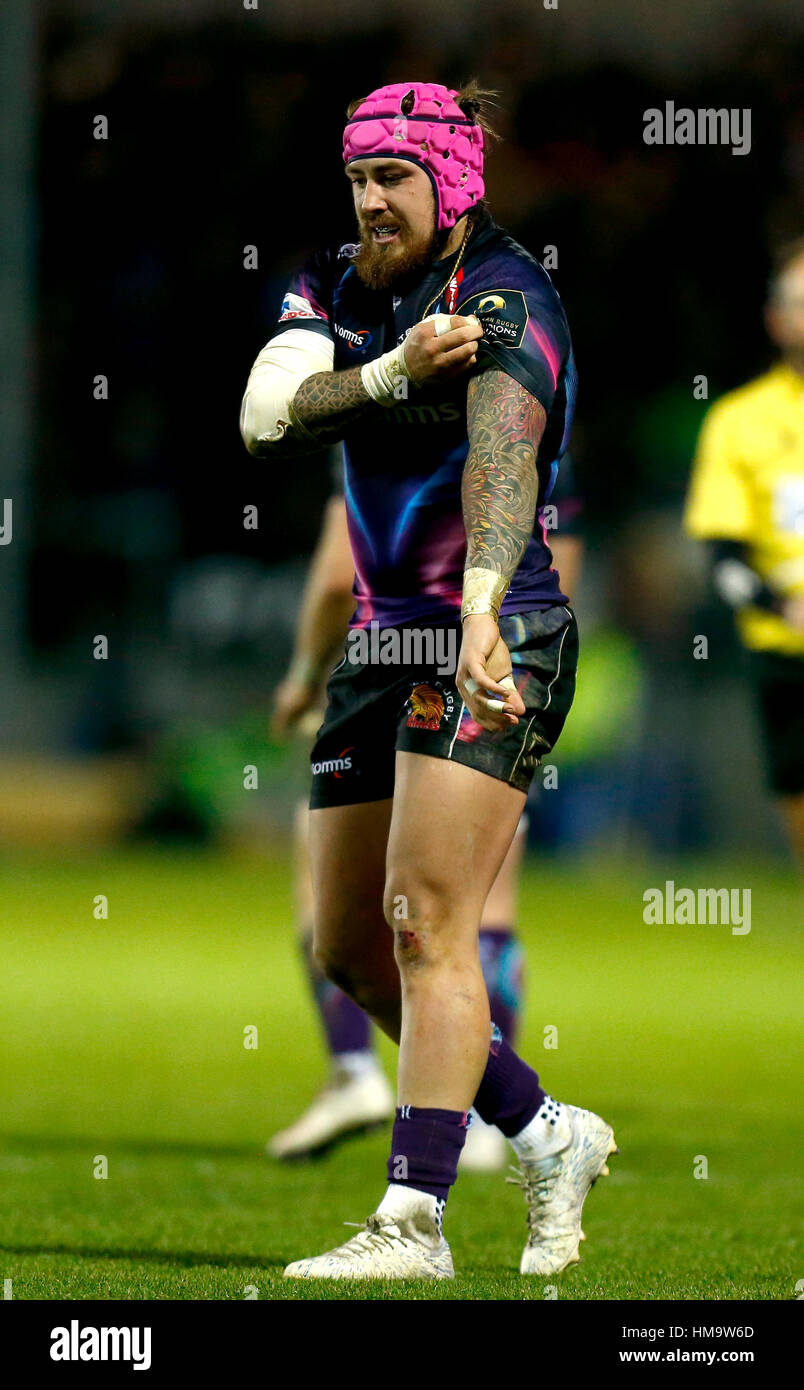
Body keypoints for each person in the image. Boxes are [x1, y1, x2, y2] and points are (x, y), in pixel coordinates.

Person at [241, 80, 615, 1280]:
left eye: (395, 177)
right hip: (378, 642)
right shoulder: (339, 284)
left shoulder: (508, 292)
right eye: (358, 177)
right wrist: (396, 371)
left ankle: (413, 1223)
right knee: (346, 944)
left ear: (454, 181)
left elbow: (504, 449)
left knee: (425, 923)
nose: (371, 199)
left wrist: (483, 603)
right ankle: (550, 1130)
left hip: (495, 634)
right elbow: (267, 416)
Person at [269, 456, 584, 1172]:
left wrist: (302, 677)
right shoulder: (526, 413)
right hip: (501, 675)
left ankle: (362, 1077)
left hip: (397, 665)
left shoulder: (375, 415)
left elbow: (330, 576)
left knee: (384, 916)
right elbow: (564, 561)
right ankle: (506, 1119)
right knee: (468, 909)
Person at [685, 236, 804, 866]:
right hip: (787, 656)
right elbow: (724, 562)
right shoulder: (738, 421)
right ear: (776, 319)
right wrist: (780, 607)